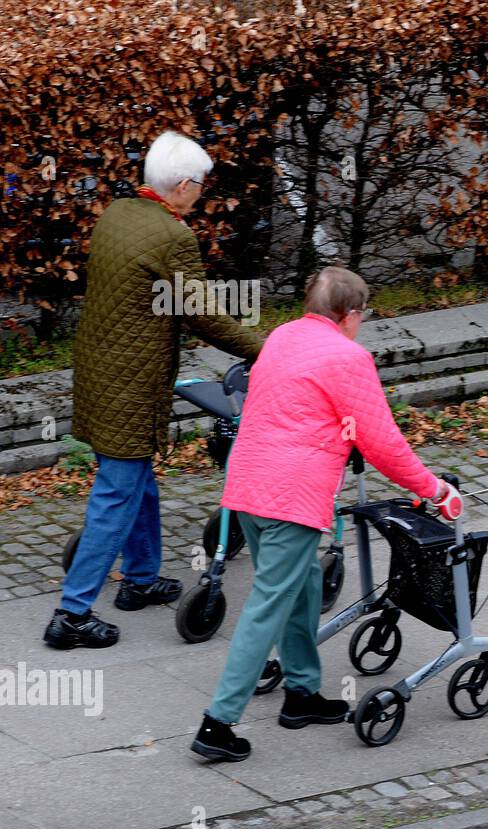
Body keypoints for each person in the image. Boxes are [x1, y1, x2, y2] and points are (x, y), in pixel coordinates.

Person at [191, 266, 462, 762]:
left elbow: (296, 406)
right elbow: (382, 441)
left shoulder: (281, 336)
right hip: (291, 498)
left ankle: (302, 694)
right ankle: (217, 724)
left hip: (248, 484)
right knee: (267, 604)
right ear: (352, 314)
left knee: (303, 587)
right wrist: (434, 489)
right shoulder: (348, 356)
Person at [45, 131, 264, 651]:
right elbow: (202, 313)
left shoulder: (117, 214)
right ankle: (71, 615)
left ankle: (140, 581)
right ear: (184, 185)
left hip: (99, 370)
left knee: (136, 479)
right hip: (130, 383)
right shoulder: (172, 237)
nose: (202, 194)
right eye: (201, 185)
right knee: (117, 492)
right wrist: (266, 348)